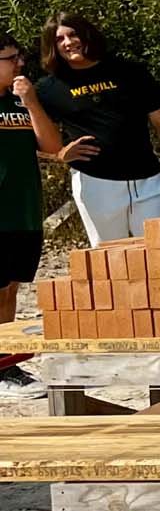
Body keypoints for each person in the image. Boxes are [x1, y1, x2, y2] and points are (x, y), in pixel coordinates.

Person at [35, 14, 160, 243]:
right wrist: (59, 155)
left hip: (149, 181)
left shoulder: (131, 72)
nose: (68, 43)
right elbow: (28, 139)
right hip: (96, 184)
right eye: (60, 39)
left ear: (87, 34)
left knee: (159, 256)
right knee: (109, 261)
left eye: (73, 34)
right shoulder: (48, 89)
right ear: (53, 46)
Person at [0, 34, 81, 385]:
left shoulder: (20, 103)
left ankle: (5, 361)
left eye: (20, 56)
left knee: (10, 289)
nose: (20, 63)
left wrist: (31, 103)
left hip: (24, 211)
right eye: (10, 58)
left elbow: (51, 146)